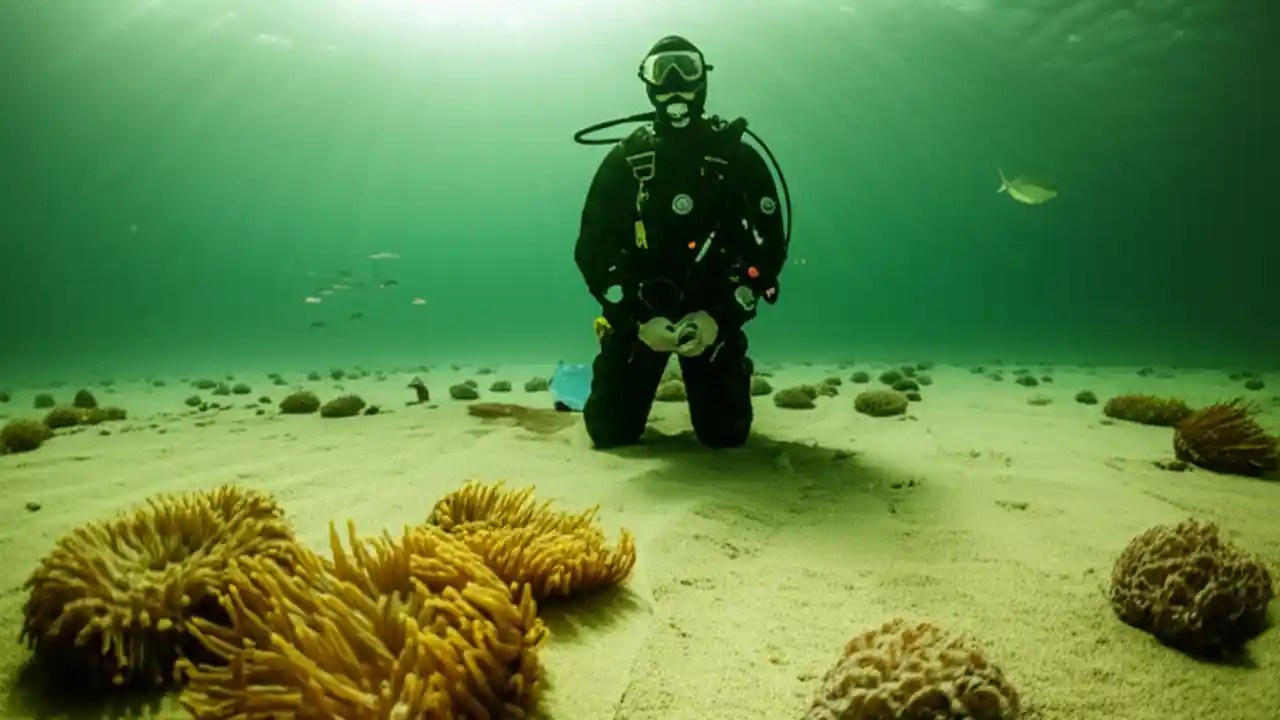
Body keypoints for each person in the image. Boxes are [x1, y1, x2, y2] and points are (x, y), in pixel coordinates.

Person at [573, 35, 790, 449]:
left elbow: (768, 249)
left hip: (711, 310)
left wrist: (721, 317)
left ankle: (720, 358)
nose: (675, 83)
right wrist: (635, 318)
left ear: (703, 78)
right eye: (662, 71)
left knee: (726, 436)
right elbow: (592, 248)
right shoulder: (624, 161)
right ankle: (617, 364)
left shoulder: (740, 161)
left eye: (686, 69)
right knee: (609, 433)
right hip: (643, 311)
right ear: (648, 82)